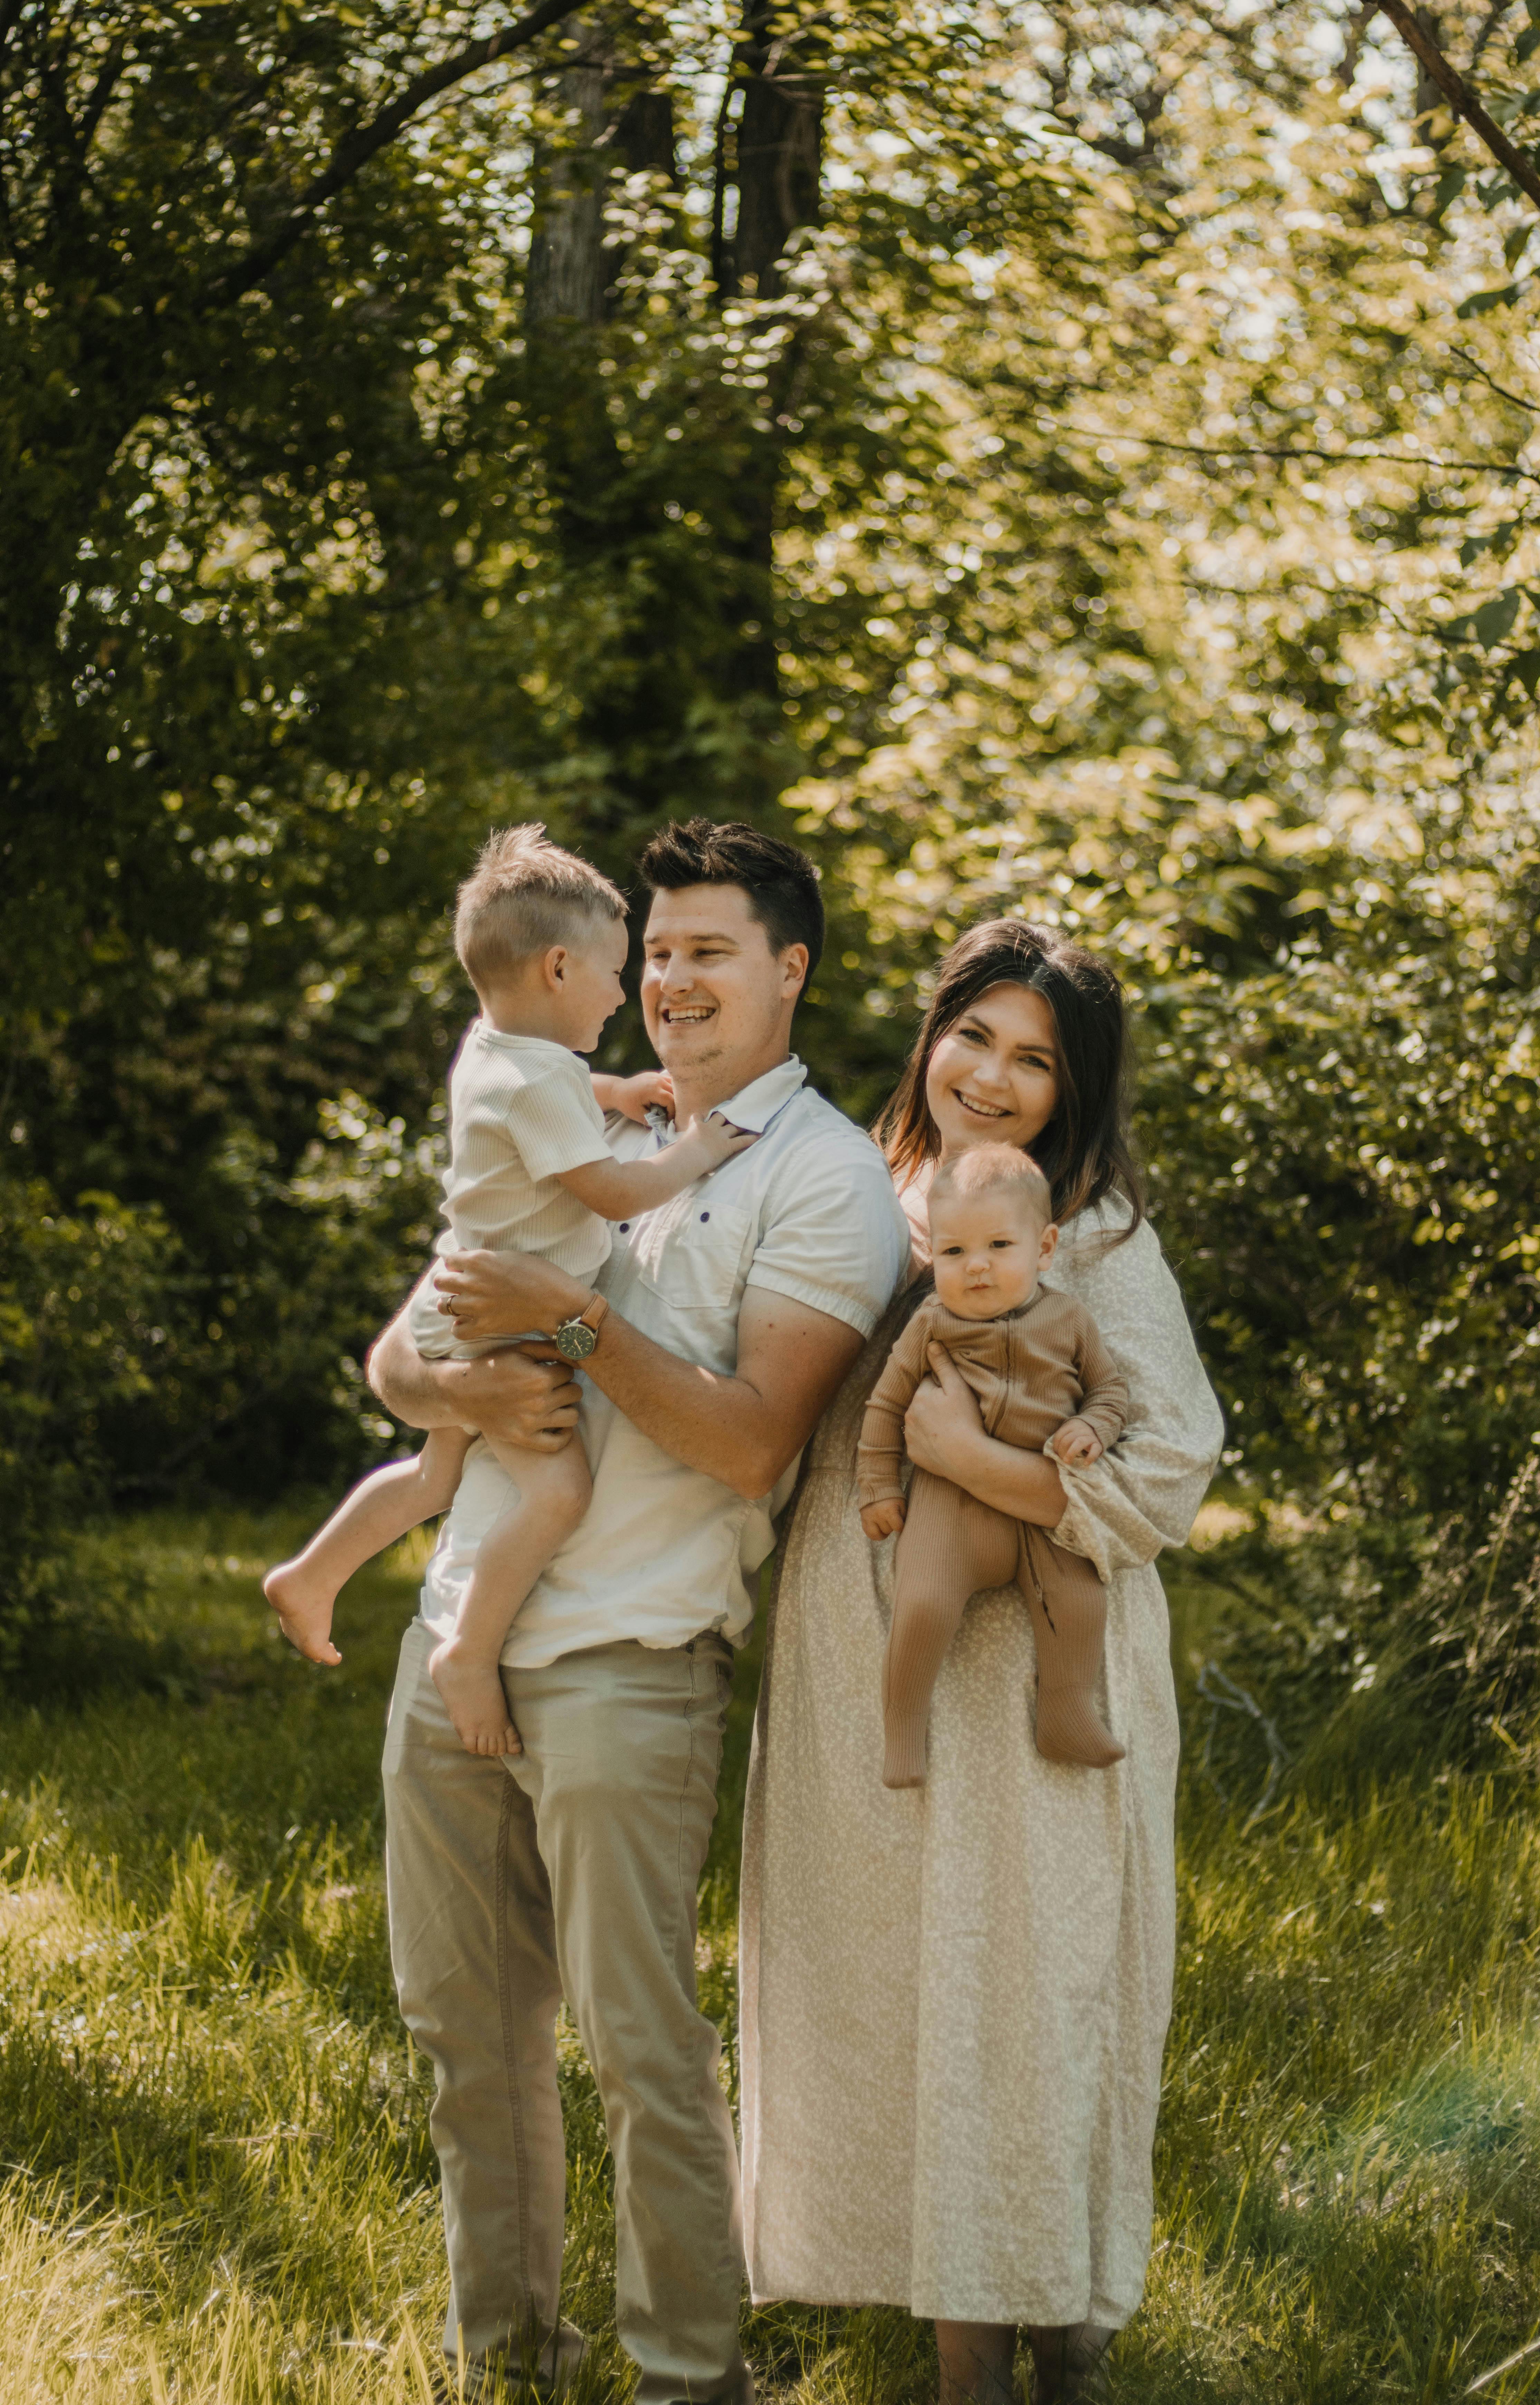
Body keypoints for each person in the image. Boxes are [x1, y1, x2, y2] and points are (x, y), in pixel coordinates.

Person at [364, 820, 909, 2401]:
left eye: (707, 951)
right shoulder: (559, 1103)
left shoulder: (825, 1180)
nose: (670, 979)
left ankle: (685, 2376)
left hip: (630, 1661)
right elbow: (398, 1359)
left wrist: (570, 1324)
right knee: (466, 2041)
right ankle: (506, 2365)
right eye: (655, 950)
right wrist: (463, 1383)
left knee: (640, 2050)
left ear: (788, 971)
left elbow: (751, 1443)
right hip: (459, 1642)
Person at [740, 920, 1224, 2405]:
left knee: (1025, 1988)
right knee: (892, 1985)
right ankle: (960, 2335)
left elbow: (1168, 1465)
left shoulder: (1090, 1236)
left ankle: (1043, 2338)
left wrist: (976, 1464)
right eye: (975, 1037)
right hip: (866, 1647)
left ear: (1076, 1092)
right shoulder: (859, 1199)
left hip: (1032, 1677)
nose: (995, 1079)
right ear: (929, 1033)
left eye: (1037, 1061)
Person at [264, 826, 751, 1755]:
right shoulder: (535, 1083)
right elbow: (613, 1193)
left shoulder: (493, 1050)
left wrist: (612, 1093)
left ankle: (313, 1575)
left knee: (436, 1475)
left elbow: (549, 1084)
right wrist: (694, 1151)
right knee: (559, 1495)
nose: (624, 993)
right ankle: (471, 1652)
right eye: (615, 972)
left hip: (462, 1299)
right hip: (501, 1320)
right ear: (558, 969)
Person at [858, 1140, 1129, 1786]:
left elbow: (1112, 1391)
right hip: (950, 1505)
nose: (976, 1266)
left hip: (1039, 1503)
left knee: (1080, 1601)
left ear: (1044, 1248)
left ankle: (1065, 1713)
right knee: (923, 1604)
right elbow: (885, 1404)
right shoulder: (931, 1324)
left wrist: (1092, 1426)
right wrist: (877, 1485)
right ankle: (904, 1727)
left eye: (999, 1246)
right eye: (954, 1252)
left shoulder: (1069, 1320)